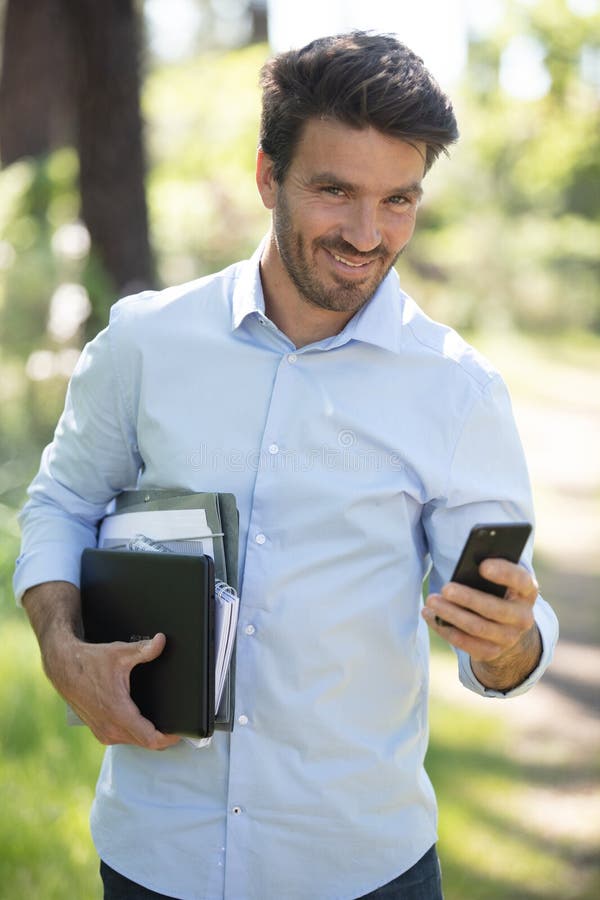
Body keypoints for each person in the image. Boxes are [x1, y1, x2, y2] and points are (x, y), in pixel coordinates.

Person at [15, 31, 558, 900]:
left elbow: (506, 630)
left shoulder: (459, 391)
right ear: (269, 176)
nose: (367, 234)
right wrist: (59, 646)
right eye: (335, 191)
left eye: (399, 200)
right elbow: (61, 502)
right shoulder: (147, 343)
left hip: (362, 869)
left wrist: (508, 645)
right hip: (156, 858)